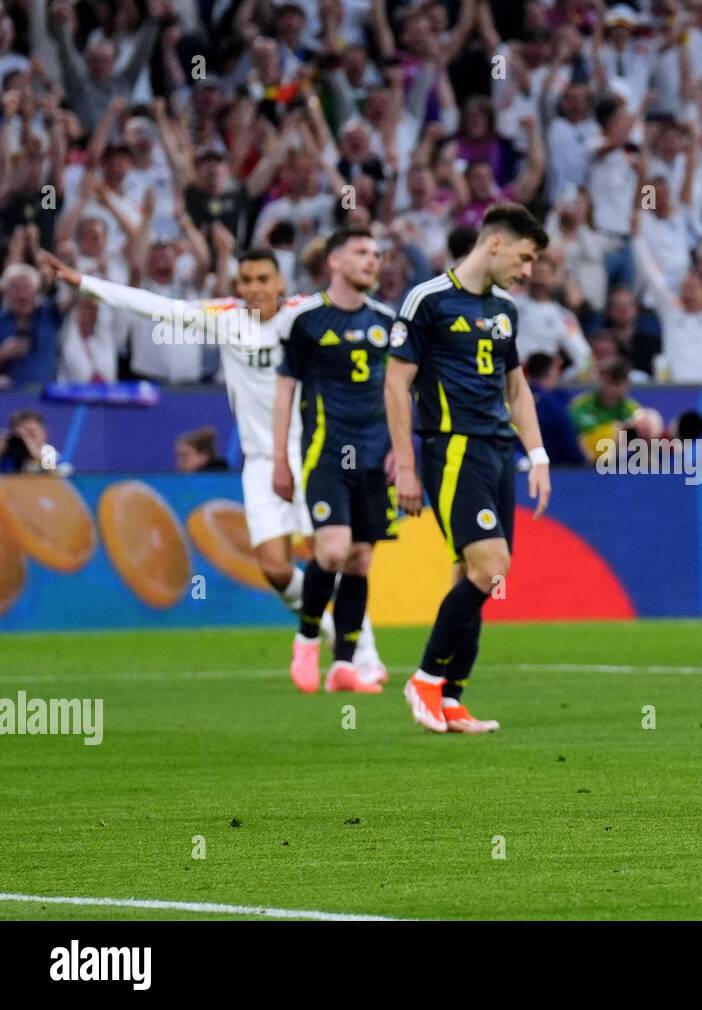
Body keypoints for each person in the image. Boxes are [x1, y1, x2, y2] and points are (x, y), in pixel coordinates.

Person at [40, 247, 387, 681]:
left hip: (315, 454)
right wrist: (83, 283)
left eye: (264, 279)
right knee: (277, 569)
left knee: (336, 555)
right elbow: (156, 307)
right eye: (247, 280)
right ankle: (333, 629)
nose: (256, 288)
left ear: (281, 283)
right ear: (237, 286)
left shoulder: (306, 317)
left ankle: (364, 656)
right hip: (262, 462)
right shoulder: (225, 317)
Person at [385, 202, 552, 735]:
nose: (528, 272)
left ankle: (452, 697)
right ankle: (426, 679)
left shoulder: (505, 310)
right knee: (491, 567)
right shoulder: (428, 300)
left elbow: (517, 388)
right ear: (495, 243)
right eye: (525, 258)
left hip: (498, 451)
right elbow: (395, 384)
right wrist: (406, 466)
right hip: (452, 448)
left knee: (473, 574)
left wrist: (539, 455)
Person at [272, 227, 396, 695]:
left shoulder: (387, 321)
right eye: (362, 252)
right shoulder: (306, 320)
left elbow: (399, 392)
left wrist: (402, 455)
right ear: (335, 262)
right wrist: (280, 460)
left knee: (361, 561)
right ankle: (306, 638)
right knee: (332, 551)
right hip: (326, 454)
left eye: (377, 254)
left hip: (373, 457)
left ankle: (343, 664)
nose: (372, 260)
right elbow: (284, 393)